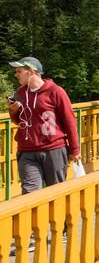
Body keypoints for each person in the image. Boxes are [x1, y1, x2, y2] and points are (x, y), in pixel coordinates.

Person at [7, 56, 80, 193]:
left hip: (54, 150)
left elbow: (69, 121)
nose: (16, 74)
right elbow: (19, 121)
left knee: (56, 192)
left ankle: (57, 215)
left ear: (31, 71)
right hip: (27, 151)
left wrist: (75, 150)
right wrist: (13, 111)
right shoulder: (20, 92)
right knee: (30, 192)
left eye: (19, 71)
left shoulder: (56, 91)